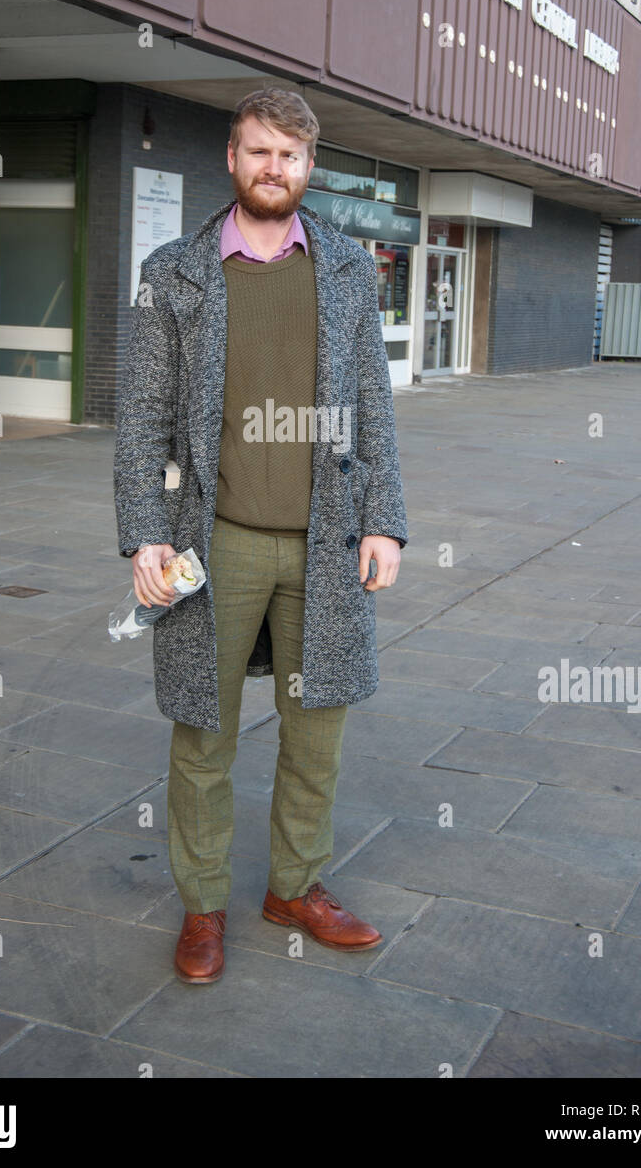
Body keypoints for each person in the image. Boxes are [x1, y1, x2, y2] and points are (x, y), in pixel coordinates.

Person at [113, 87, 408, 983]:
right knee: (202, 731)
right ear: (230, 160)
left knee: (316, 728)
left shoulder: (350, 269)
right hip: (218, 538)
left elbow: (372, 405)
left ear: (309, 167)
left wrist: (384, 521)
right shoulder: (176, 272)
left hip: (323, 541)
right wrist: (144, 536)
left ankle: (296, 886)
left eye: (289, 155)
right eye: (256, 152)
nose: (271, 169)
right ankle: (202, 906)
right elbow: (143, 417)